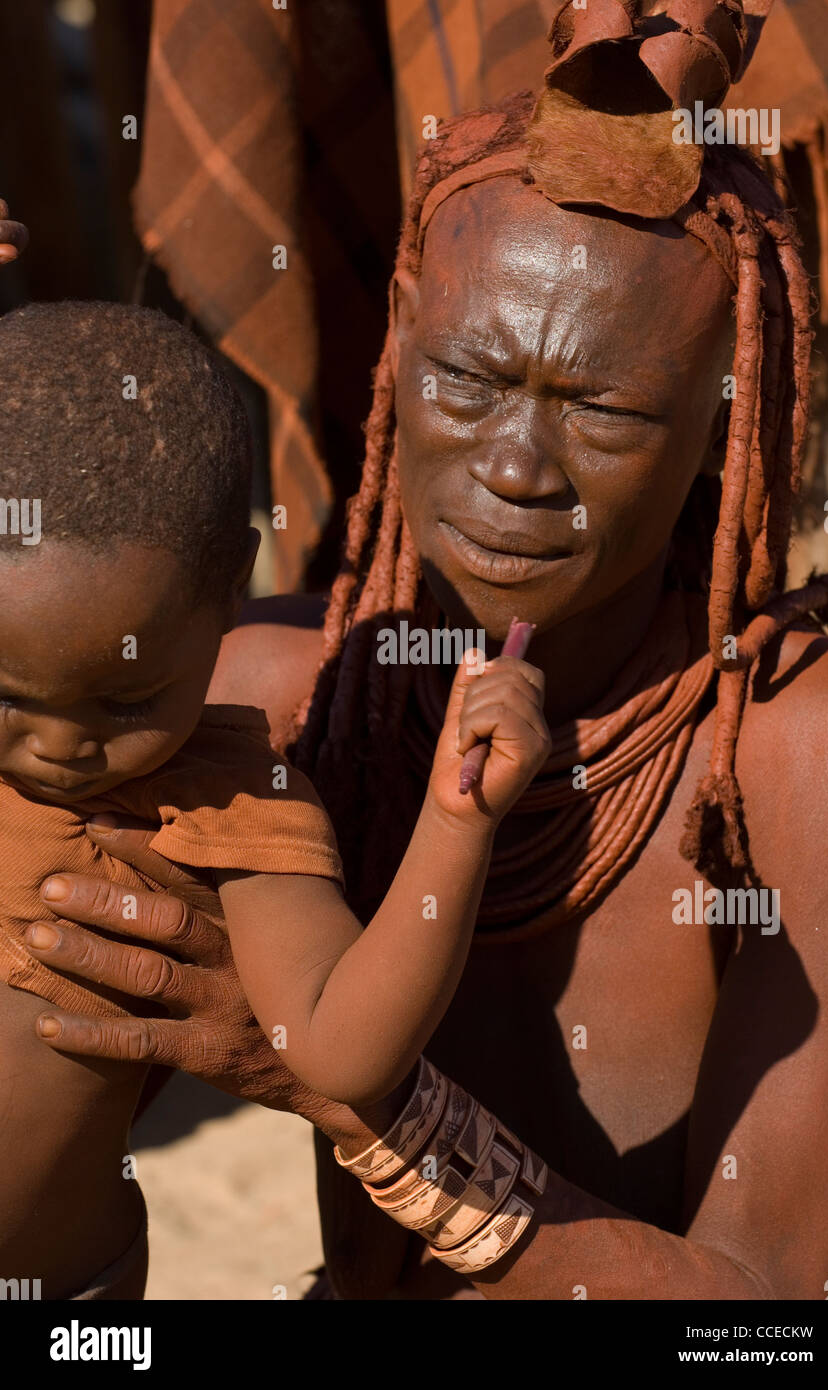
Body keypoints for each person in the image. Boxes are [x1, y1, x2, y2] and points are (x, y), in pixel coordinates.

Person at [24, 2, 828, 1299]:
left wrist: (373, 1106)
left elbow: (763, 1307)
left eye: (600, 409)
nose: (516, 468)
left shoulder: (797, 756)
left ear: (717, 417)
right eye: (466, 379)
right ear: (402, 325)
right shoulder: (277, 704)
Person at [0, 300, 549, 1299]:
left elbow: (340, 1049)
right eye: (6, 695)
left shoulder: (225, 801)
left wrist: (456, 822)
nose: (58, 742)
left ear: (228, 598)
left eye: (124, 697)